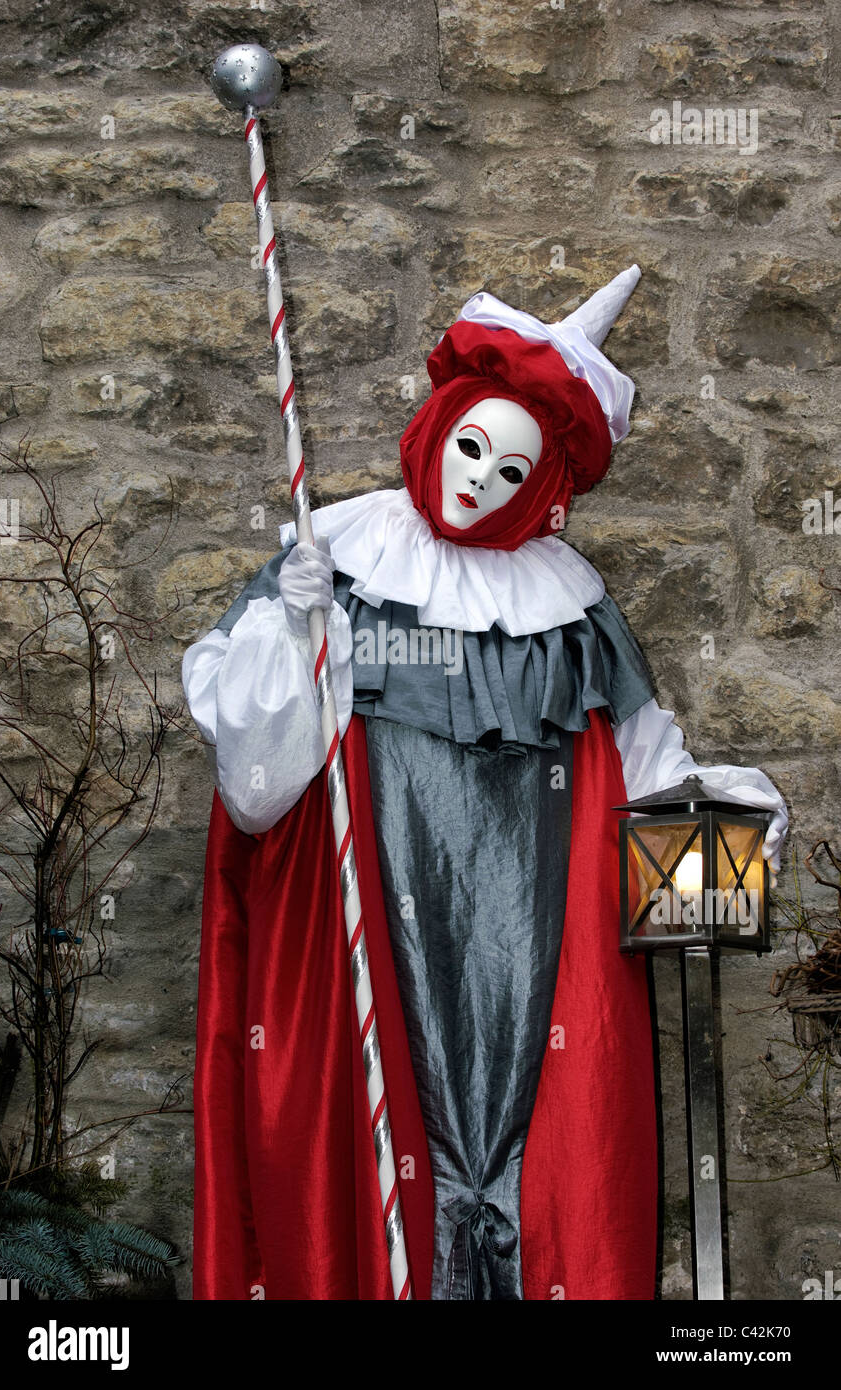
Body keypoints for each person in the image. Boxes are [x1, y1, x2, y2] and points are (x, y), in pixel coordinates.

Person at [182, 266, 788, 1301]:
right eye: (470, 447)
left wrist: (724, 832)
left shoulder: (570, 607)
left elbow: (643, 765)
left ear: (539, 490)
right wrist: (288, 626)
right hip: (368, 942)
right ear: (437, 429)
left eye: (511, 472)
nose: (477, 481)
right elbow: (253, 790)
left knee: (546, 1180)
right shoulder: (342, 559)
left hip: (530, 959)